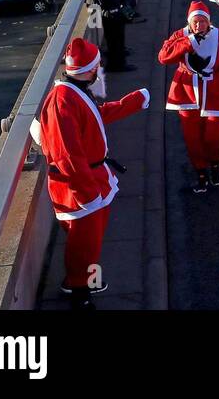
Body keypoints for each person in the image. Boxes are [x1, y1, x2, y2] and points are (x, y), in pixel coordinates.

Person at [28, 37, 149, 309]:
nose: (100, 69)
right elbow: (67, 155)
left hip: (89, 180)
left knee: (88, 241)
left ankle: (83, 282)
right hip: (81, 187)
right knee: (84, 244)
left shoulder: (71, 93)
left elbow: (95, 116)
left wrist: (133, 102)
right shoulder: (63, 101)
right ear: (91, 69)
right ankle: (79, 290)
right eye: (97, 65)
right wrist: (87, 194)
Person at [157, 2, 219, 193]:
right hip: (187, 94)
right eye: (195, 22)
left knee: (216, 136)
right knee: (192, 138)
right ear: (189, 22)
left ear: (209, 22)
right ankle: (201, 171)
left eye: (202, 21)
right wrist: (188, 42)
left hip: (216, 93)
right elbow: (163, 57)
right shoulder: (180, 35)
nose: (198, 25)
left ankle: (215, 163)